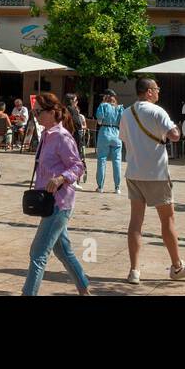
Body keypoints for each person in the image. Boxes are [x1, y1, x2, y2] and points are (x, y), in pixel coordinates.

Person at [120, 77, 185, 283]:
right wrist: (176, 130)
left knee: (136, 222)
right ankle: (177, 266)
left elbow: (124, 139)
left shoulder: (126, 113)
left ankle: (134, 271)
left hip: (134, 172)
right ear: (148, 91)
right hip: (155, 174)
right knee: (167, 220)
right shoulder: (158, 111)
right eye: (156, 89)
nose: (159, 92)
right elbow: (174, 135)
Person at [22, 92, 90, 296]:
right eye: (34, 112)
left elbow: (78, 166)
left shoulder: (62, 137)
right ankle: (84, 289)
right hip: (48, 202)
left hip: (60, 203)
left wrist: (61, 178)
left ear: (52, 113)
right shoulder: (46, 136)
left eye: (39, 112)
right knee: (63, 251)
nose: (36, 116)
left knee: (38, 253)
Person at [94, 90, 124, 193]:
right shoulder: (119, 107)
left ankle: (100, 187)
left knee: (102, 160)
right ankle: (117, 187)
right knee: (117, 161)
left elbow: (99, 120)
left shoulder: (103, 106)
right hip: (116, 133)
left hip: (104, 133)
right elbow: (121, 122)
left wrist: (102, 104)